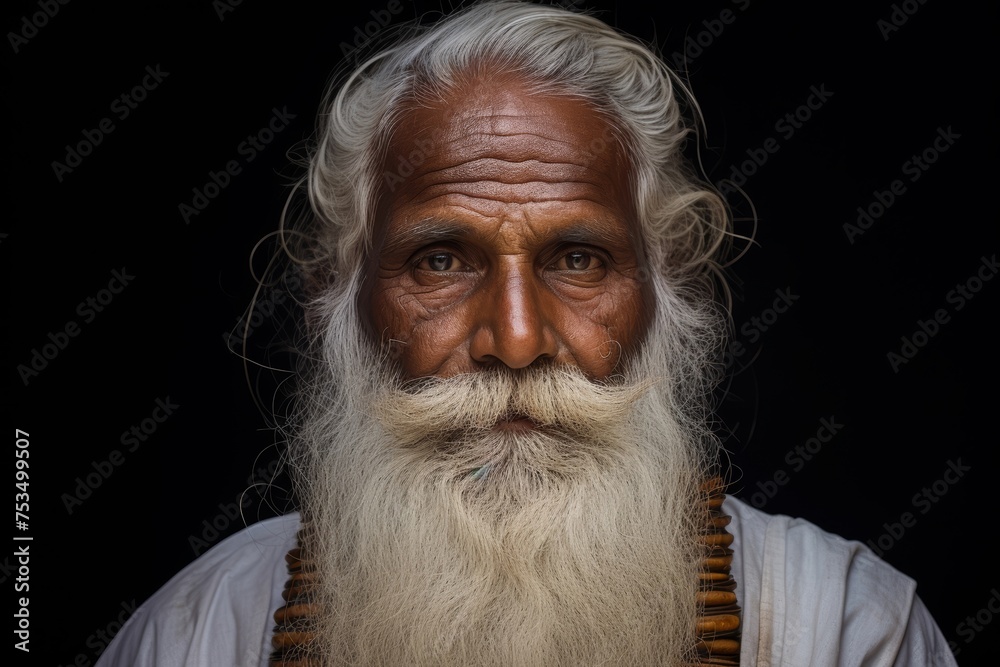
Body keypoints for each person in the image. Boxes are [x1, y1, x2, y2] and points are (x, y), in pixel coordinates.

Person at [96, 1, 957, 665]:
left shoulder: (847, 632)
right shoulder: (197, 632)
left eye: (578, 260)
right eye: (440, 260)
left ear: (670, 293)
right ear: (337, 296)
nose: (515, 340)